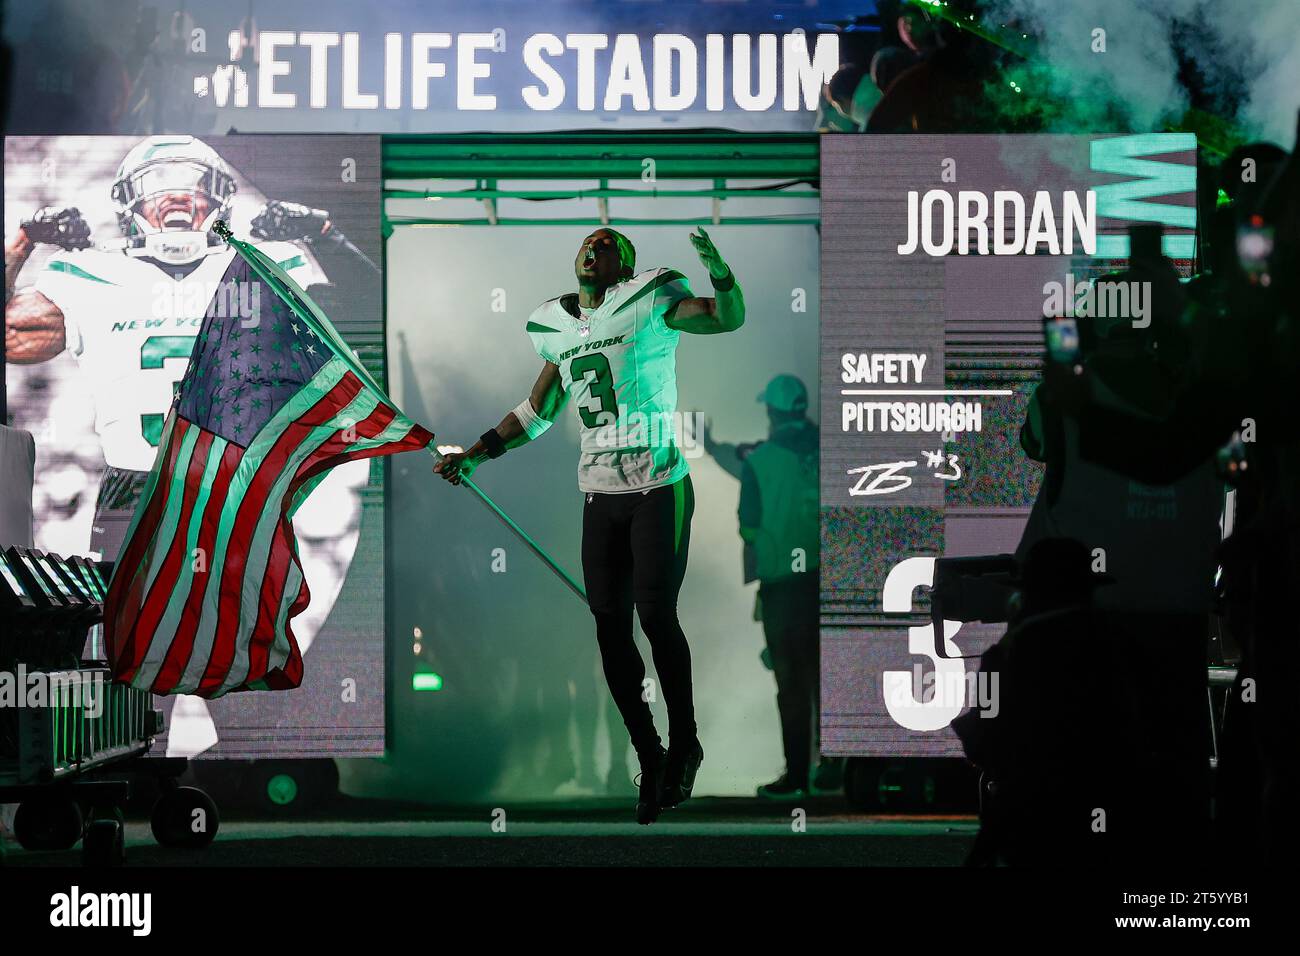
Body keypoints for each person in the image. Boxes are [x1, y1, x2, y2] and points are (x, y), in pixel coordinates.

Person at [3, 134, 374, 758]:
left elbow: (361, 322)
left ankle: (250, 769)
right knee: (134, 645)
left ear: (218, 200)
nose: (177, 195)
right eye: (159, 184)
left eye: (193, 183)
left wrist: (327, 231)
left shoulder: (257, 263)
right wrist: (22, 239)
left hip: (232, 485)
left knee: (243, 636)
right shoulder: (92, 272)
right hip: (138, 484)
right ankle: (133, 769)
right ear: (130, 204)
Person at [434, 227, 745, 824]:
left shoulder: (651, 300)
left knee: (655, 615)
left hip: (658, 481)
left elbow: (724, 318)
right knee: (609, 630)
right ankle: (650, 753)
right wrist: (474, 453)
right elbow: (537, 412)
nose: (595, 246)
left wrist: (719, 272)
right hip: (600, 492)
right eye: (590, 240)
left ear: (625, 265)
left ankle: (686, 743)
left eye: (609, 244)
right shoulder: (555, 327)